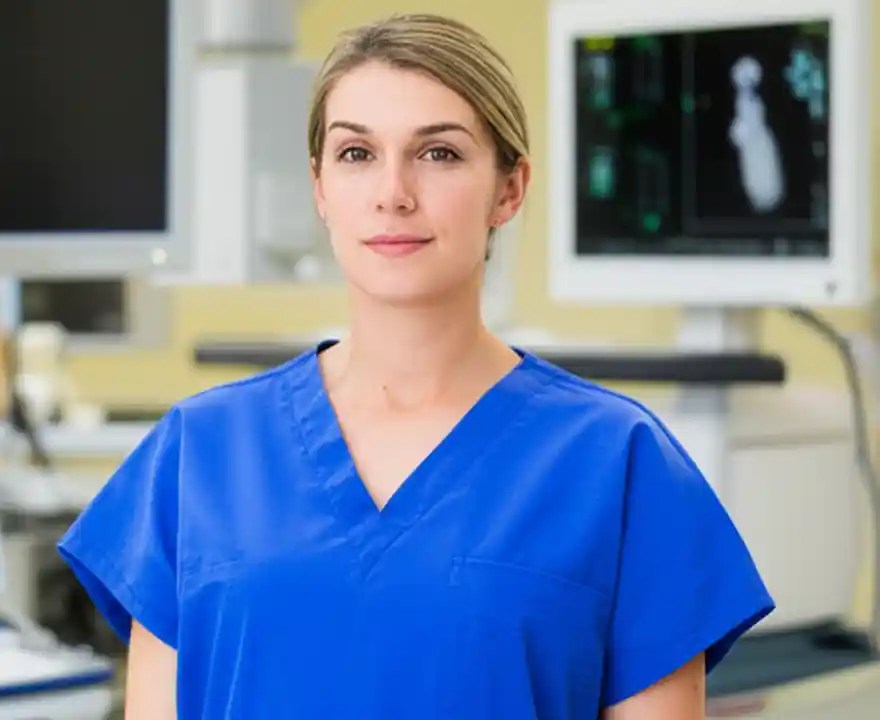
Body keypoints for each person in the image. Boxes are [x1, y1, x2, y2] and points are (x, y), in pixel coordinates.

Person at [58, 13, 774, 719]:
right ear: (319, 187)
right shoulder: (202, 452)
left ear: (509, 190)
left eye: (438, 153)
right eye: (356, 153)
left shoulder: (615, 462)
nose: (392, 193)